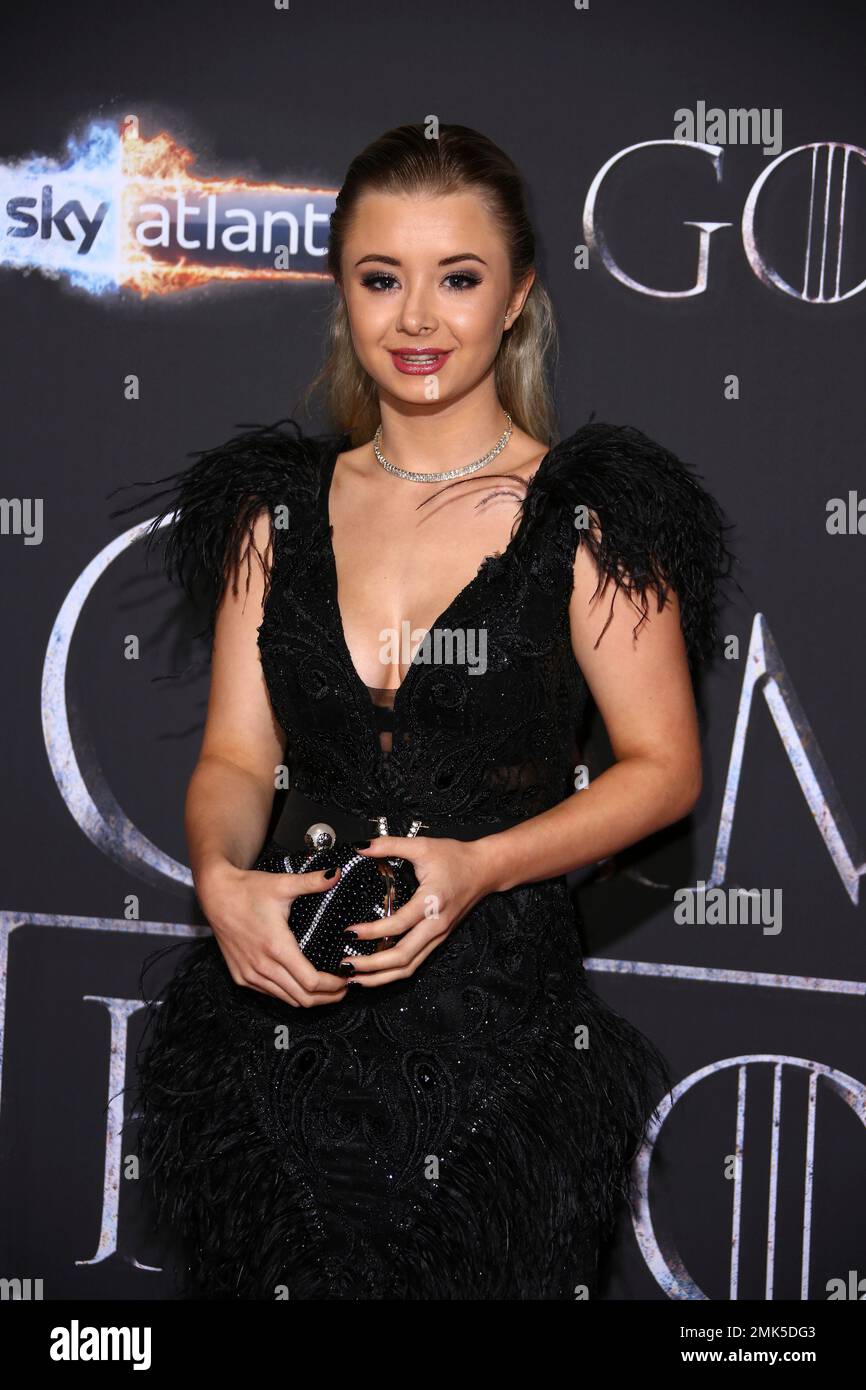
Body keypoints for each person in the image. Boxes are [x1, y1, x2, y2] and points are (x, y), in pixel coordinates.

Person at [117, 122, 735, 1300]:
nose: (416, 319)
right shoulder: (275, 512)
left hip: (495, 1058)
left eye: (457, 278)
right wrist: (218, 877)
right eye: (379, 277)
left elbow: (661, 767)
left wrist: (481, 865)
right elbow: (238, 758)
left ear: (516, 298)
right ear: (340, 290)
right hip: (275, 1045)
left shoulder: (586, 513)